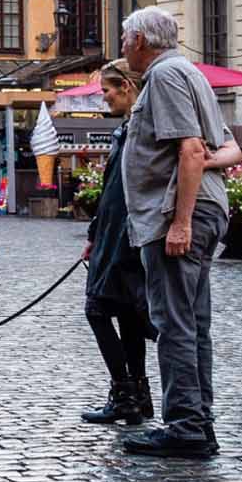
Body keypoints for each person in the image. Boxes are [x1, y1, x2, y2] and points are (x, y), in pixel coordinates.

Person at [116, 6, 235, 459]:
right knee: (193, 323)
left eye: (126, 38)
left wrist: (180, 221)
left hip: (176, 212)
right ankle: (198, 421)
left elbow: (190, 150)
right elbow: (223, 148)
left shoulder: (165, 77)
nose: (123, 46)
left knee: (175, 325)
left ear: (142, 40)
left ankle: (186, 426)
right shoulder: (189, 72)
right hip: (199, 208)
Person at [80, 60, 154, 426]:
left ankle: (125, 393)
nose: (103, 98)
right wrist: (95, 233)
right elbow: (112, 186)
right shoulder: (126, 129)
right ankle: (137, 393)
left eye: (107, 90)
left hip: (127, 234)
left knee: (97, 309)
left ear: (125, 86)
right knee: (124, 312)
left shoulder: (140, 129)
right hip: (113, 232)